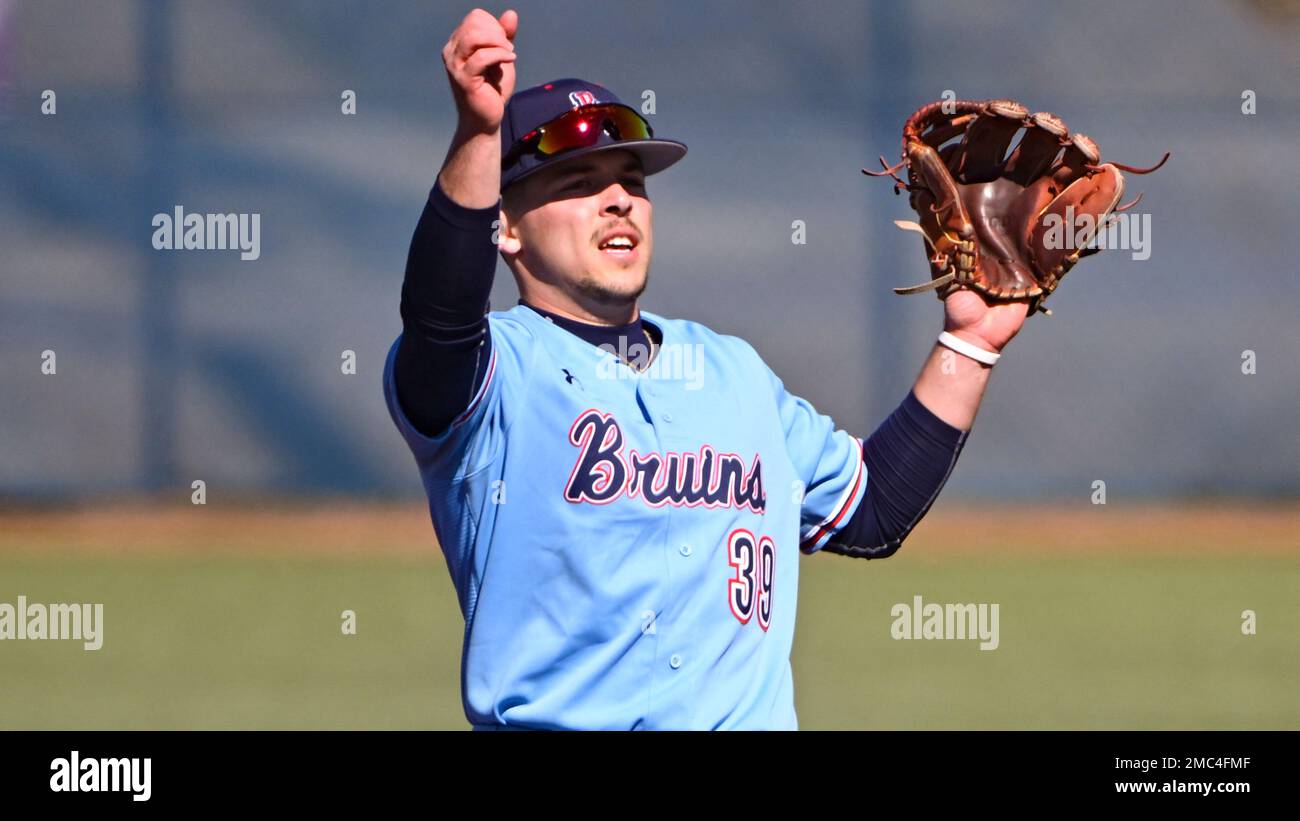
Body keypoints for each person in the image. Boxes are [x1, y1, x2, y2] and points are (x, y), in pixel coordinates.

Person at [382, 8, 1030, 730]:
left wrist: (972, 340)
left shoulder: (733, 373)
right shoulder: (491, 377)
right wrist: (477, 133)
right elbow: (438, 316)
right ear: (505, 225)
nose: (620, 198)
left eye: (631, 177)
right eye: (577, 181)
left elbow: (871, 510)